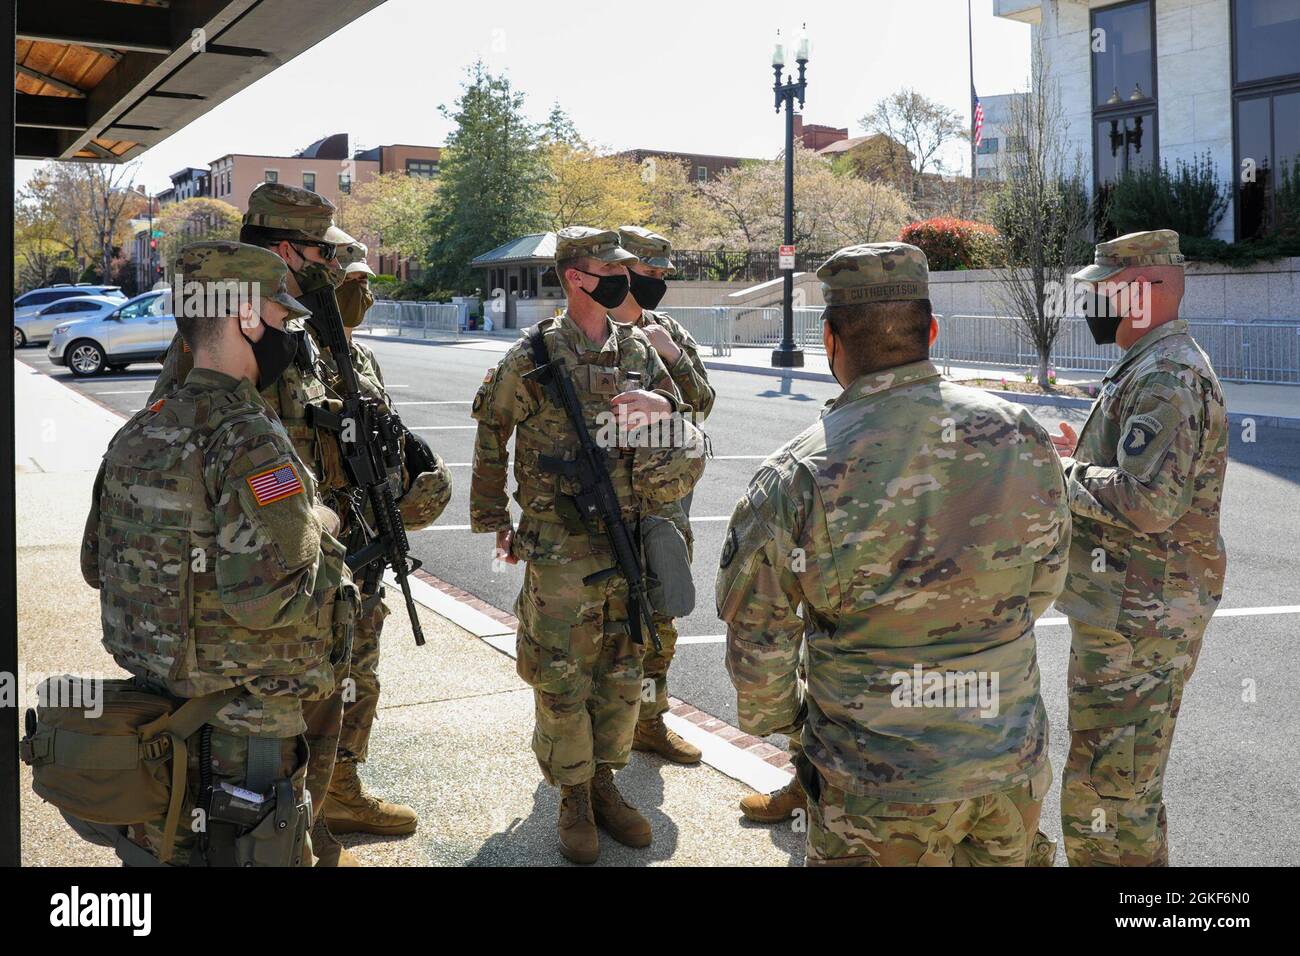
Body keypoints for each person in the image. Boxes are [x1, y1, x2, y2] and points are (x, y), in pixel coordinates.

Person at [719, 242, 1070, 866]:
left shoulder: (797, 474)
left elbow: (759, 641)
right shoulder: (1022, 433)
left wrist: (791, 726)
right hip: (1006, 759)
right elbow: (1046, 578)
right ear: (931, 330)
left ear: (829, 340)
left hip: (874, 782)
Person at [80, 240, 356, 865]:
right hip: (243, 738)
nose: (289, 337)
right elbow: (271, 600)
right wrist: (321, 519)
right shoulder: (251, 440)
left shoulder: (141, 426)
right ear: (248, 319)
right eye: (283, 320)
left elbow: (95, 565)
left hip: (153, 724)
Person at [470, 226, 701, 863]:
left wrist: (660, 406)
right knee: (562, 673)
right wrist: (494, 519)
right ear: (576, 276)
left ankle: (605, 781)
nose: (625, 276)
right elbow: (492, 429)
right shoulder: (535, 353)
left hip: (630, 534)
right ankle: (572, 793)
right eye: (612, 266)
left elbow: (685, 418)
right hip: (562, 546)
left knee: (624, 668)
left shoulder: (639, 348)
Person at [147, 183, 362, 865]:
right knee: (259, 763)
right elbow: (179, 466)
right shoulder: (219, 340)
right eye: (315, 254)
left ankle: (323, 813)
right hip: (266, 575)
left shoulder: (302, 324)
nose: (326, 268)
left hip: (314, 553)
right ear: (282, 249)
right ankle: (293, 829)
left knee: (336, 702)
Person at [1049, 229, 1228, 867]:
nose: (1092, 301)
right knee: (1127, 791)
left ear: (1145, 291)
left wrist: (1064, 473)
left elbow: (1148, 503)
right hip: (1137, 610)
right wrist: (1084, 458)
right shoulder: (1152, 363)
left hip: (1139, 617)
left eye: (1103, 289)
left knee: (1108, 797)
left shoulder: (1166, 374)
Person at [315, 239, 453, 836]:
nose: (367, 295)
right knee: (307, 679)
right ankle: (300, 796)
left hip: (366, 547)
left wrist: (417, 481)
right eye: (356, 282)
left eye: (371, 283)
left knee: (359, 673)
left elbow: (379, 437)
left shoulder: (360, 356)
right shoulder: (293, 355)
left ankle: (340, 787)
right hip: (315, 552)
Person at [609, 225, 714, 765]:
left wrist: (673, 356)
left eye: (663, 276)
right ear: (622, 269)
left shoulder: (666, 329)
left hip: (666, 500)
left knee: (661, 612)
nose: (658, 285)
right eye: (650, 274)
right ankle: (591, 744)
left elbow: (702, 403)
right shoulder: (585, 332)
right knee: (600, 617)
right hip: (604, 501)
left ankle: (650, 720)